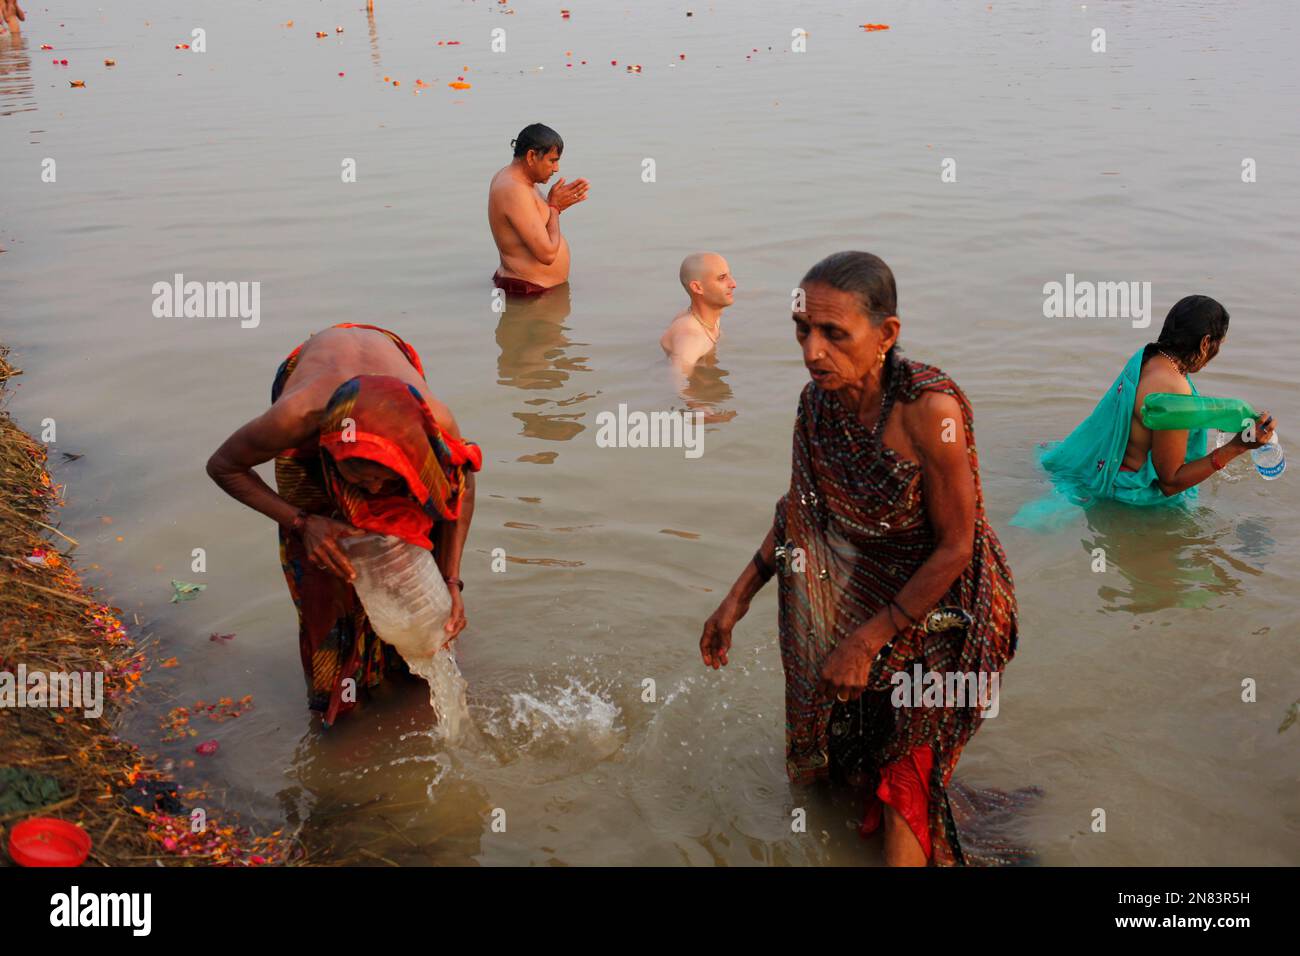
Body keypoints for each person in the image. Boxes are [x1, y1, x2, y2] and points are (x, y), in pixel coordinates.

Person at [698, 251, 1018, 866]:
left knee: (903, 771)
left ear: (887, 334)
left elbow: (957, 546)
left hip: (950, 606)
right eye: (803, 331)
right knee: (847, 752)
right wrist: (737, 597)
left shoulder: (931, 412)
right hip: (869, 594)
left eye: (834, 334)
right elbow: (803, 511)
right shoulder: (818, 404)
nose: (813, 351)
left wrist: (868, 641)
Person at [206, 324, 481, 725]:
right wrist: (302, 522)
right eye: (359, 476)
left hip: (389, 393)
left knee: (413, 547)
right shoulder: (295, 418)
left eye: (381, 480)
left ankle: (407, 667)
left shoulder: (431, 423)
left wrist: (452, 582)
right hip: (322, 393)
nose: (372, 488)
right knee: (325, 558)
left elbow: (460, 488)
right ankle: (340, 698)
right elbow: (223, 467)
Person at [1038, 295, 1275, 506]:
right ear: (1205, 343)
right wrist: (1237, 447)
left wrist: (1216, 417)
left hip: (1101, 469)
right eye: (1218, 345)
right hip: (1127, 496)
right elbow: (1170, 482)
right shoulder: (1173, 388)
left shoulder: (1148, 358)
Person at [488, 123, 589, 295]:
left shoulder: (519, 181)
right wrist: (555, 208)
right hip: (528, 292)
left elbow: (537, 222)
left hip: (536, 292)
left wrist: (554, 205)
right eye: (552, 161)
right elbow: (547, 254)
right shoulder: (514, 190)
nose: (556, 168)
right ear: (532, 156)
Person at [660, 252, 736, 377]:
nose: (733, 284)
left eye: (729, 275)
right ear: (697, 287)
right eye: (722, 278)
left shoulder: (709, 317)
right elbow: (679, 387)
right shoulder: (690, 340)